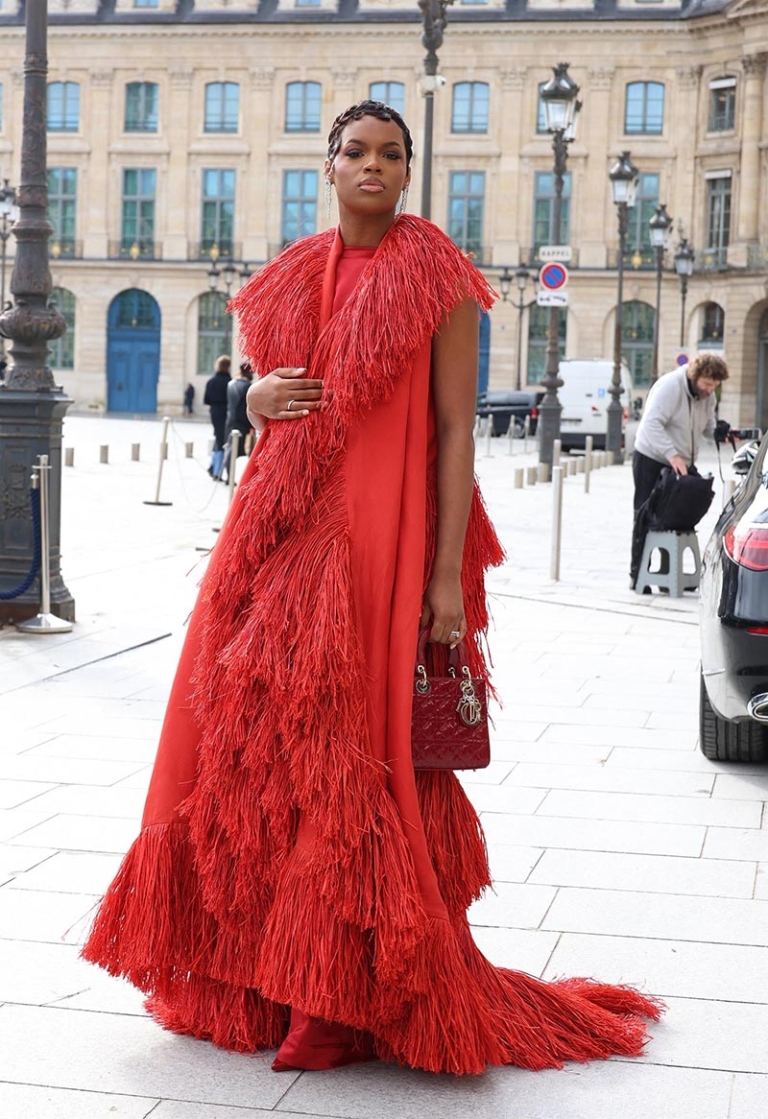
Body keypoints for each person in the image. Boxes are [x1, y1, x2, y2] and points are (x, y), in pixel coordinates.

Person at [82, 100, 660, 1075]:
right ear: (329, 164)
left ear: (408, 171)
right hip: (276, 539)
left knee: (350, 759)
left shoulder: (436, 276)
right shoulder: (294, 274)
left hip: (380, 547)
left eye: (392, 154)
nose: (373, 166)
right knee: (258, 753)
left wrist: (446, 576)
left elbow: (454, 432)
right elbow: (271, 400)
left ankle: (336, 996)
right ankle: (260, 974)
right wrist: (256, 397)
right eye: (356, 151)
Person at [630, 353, 730, 588]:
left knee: (675, 515)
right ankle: (638, 576)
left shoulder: (707, 396)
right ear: (695, 376)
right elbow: (651, 423)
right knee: (645, 515)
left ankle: (667, 576)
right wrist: (671, 454)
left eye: (714, 385)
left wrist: (720, 432)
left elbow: (707, 427)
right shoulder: (670, 386)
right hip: (651, 456)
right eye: (707, 384)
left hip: (681, 460)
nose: (709, 390)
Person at [222, 360, 254, 483]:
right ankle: (231, 478)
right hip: (242, 422)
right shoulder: (248, 386)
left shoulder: (231, 384)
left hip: (230, 421)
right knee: (237, 450)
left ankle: (229, 476)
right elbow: (248, 407)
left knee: (230, 449)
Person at [203, 354, 231, 476]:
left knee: (218, 437)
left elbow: (206, 400)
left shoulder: (211, 381)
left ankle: (213, 466)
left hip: (214, 411)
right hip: (225, 412)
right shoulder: (229, 382)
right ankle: (217, 471)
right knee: (222, 440)